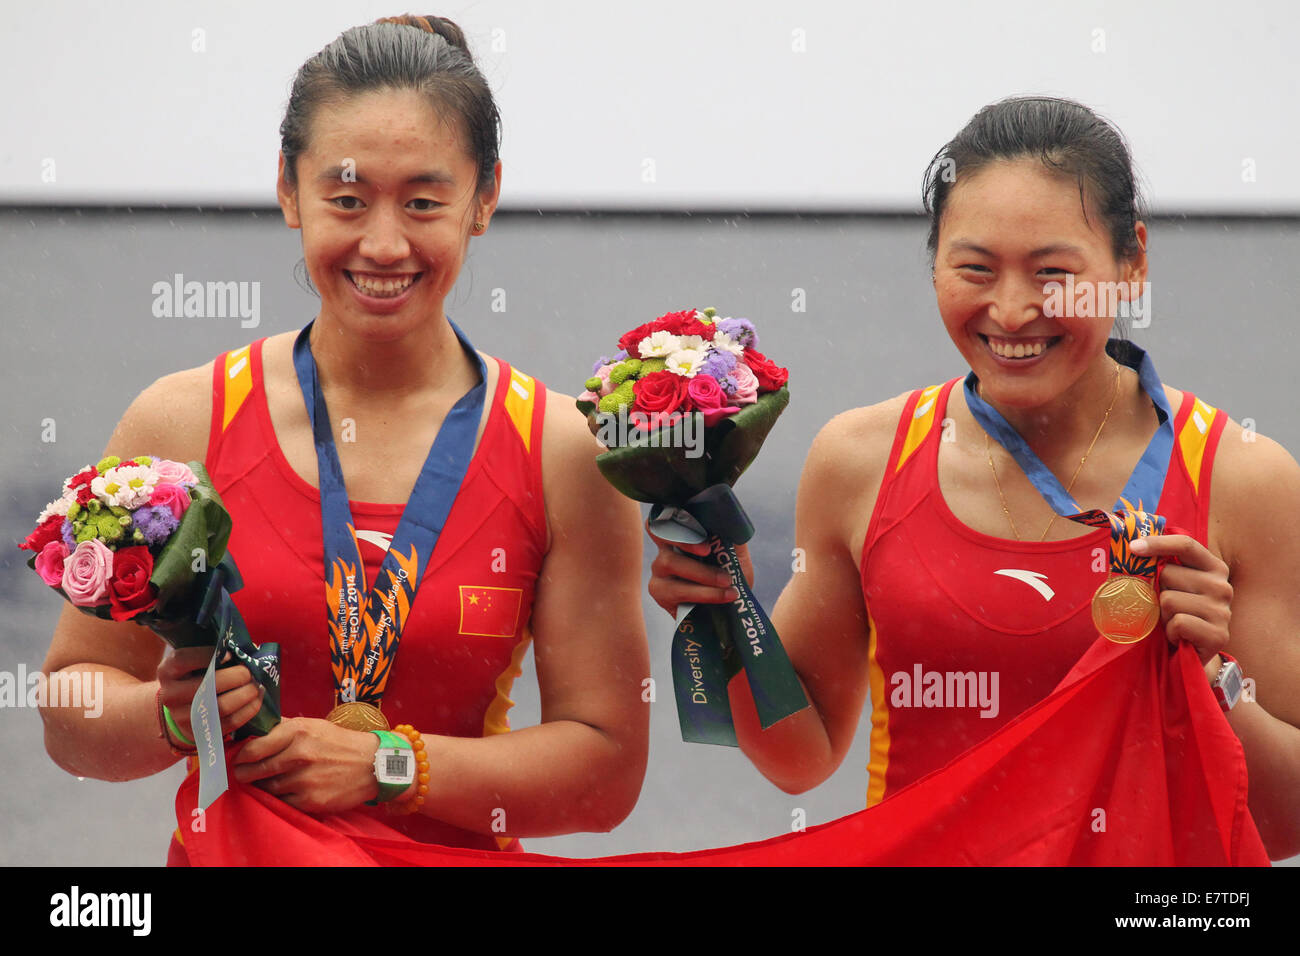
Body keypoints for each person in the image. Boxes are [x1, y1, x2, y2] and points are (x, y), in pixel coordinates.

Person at [39, 14, 649, 861]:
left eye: (426, 202)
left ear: (486, 198)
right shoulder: (184, 422)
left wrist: (392, 765)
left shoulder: (559, 450)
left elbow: (606, 769)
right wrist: (166, 713)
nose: (385, 243)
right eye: (348, 199)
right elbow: (71, 710)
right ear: (290, 190)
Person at [647, 96, 1300, 860]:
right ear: (934, 265)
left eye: (1053, 272)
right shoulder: (861, 461)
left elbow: (1284, 821)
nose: (1012, 310)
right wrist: (724, 613)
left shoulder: (1244, 479)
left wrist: (1213, 675)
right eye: (975, 269)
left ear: (1133, 264)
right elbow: (802, 755)